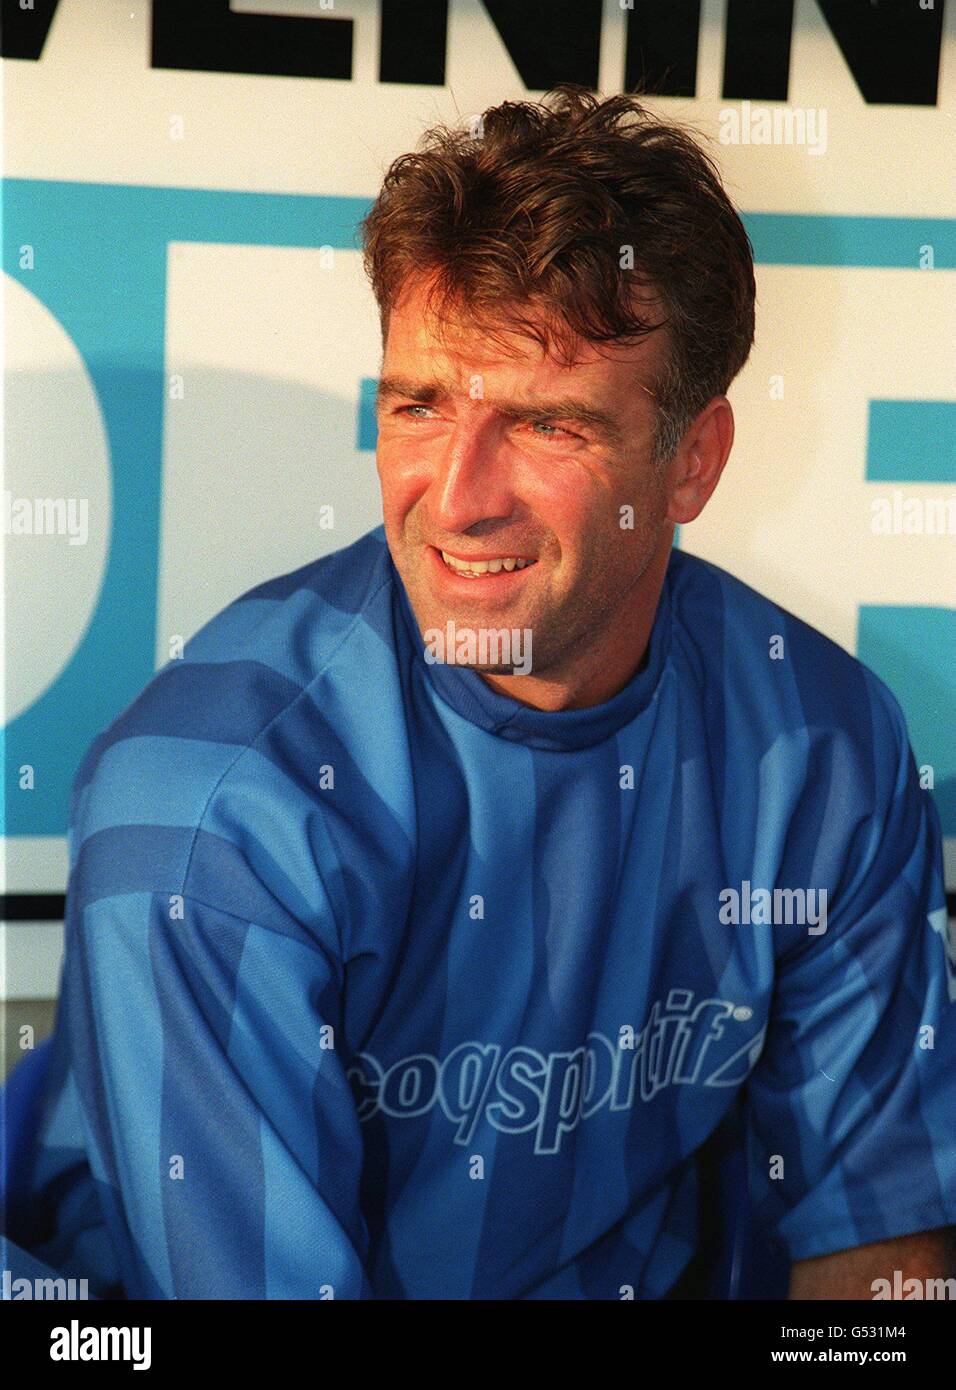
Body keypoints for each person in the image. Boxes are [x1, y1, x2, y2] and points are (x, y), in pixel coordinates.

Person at [21, 85, 955, 1300]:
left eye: (544, 424)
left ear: (693, 461)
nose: (456, 496)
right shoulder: (210, 803)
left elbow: (876, 1246)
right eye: (417, 405)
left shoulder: (820, 744)